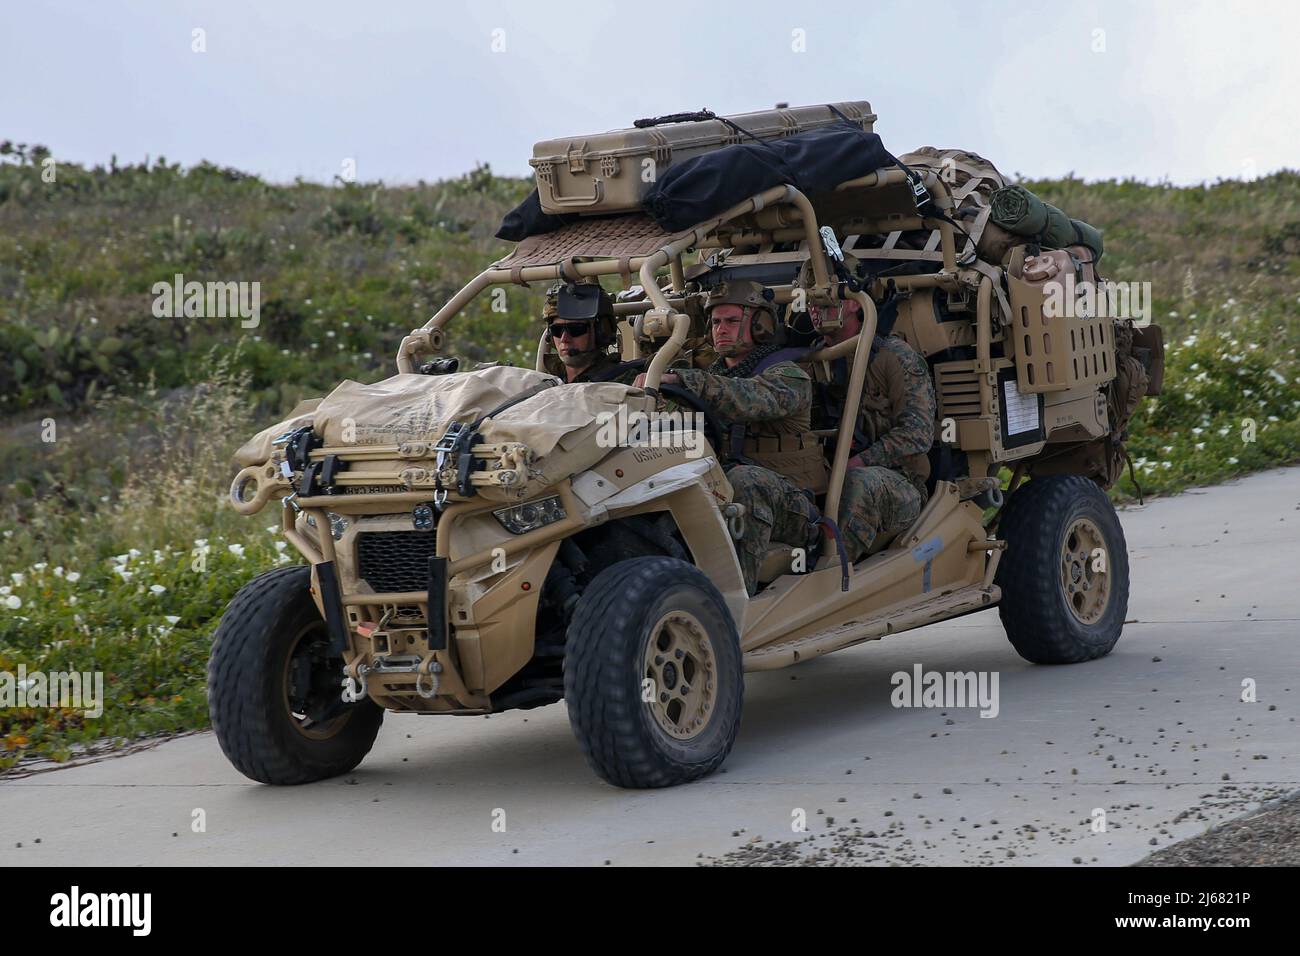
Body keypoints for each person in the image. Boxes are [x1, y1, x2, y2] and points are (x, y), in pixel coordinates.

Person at [637, 280, 823, 594]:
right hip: (722, 491)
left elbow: (746, 398)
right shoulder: (714, 375)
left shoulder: (789, 375)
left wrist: (683, 380)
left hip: (791, 505)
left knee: (745, 481)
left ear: (760, 326)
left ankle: (738, 601)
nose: (721, 329)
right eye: (716, 322)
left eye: (732, 321)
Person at [808, 296, 936, 562]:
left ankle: (830, 573)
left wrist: (860, 461)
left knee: (858, 485)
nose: (816, 309)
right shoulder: (810, 358)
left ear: (856, 304)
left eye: (827, 300)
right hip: (826, 474)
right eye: (810, 302)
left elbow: (917, 433)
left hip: (899, 481)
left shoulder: (894, 356)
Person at [541, 279, 633, 383]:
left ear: (601, 332)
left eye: (575, 329)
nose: (564, 339)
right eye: (556, 330)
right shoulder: (544, 381)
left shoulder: (624, 380)